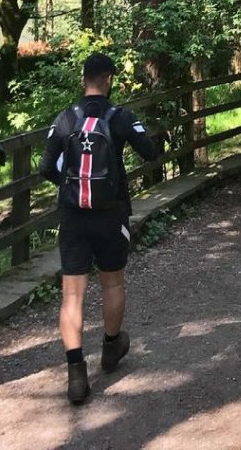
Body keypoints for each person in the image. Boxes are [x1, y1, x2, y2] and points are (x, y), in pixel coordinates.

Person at [39, 52, 158, 405]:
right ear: (108, 80)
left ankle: (76, 374)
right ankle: (110, 347)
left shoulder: (65, 119)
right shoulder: (120, 116)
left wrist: (70, 186)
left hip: (73, 216)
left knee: (72, 295)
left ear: (83, 79)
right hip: (110, 214)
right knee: (112, 282)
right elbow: (150, 152)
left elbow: (46, 167)